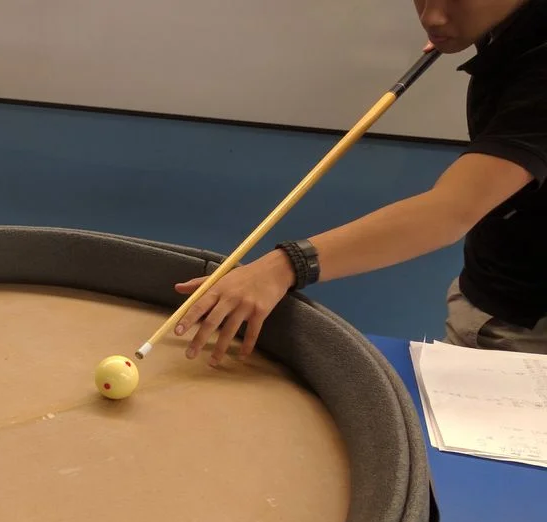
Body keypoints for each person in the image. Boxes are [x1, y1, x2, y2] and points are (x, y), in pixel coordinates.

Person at [173, 0, 547, 365]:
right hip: (493, 286)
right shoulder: (509, 23)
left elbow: (451, 210)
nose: (432, 16)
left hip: (527, 329)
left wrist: (284, 266)